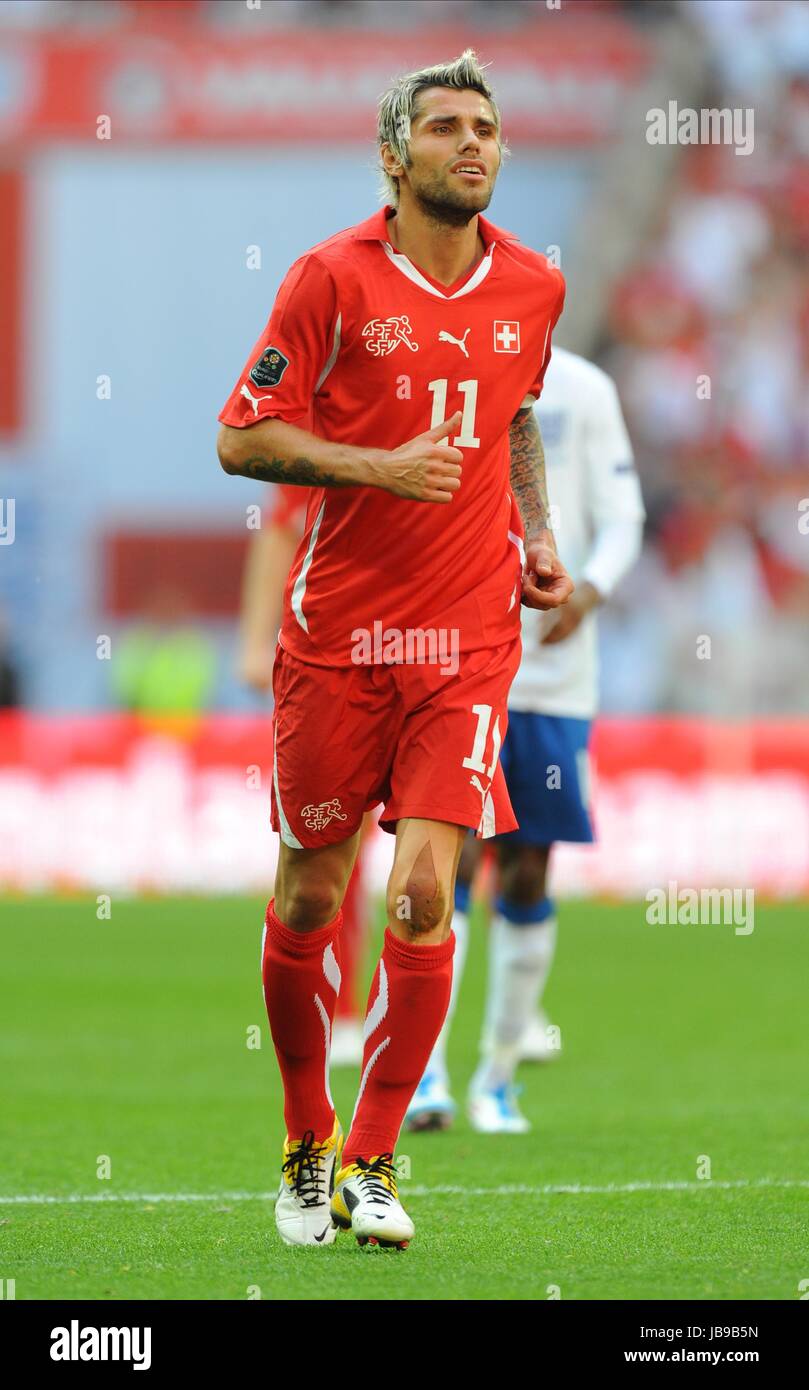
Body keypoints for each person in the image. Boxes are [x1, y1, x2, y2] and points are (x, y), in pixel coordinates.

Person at [217, 49, 572, 1250]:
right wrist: (373, 467)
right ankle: (303, 1137)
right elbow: (241, 438)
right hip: (337, 640)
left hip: (466, 639)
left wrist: (538, 535)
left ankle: (372, 1157)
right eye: (444, 127)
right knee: (309, 891)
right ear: (394, 154)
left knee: (425, 892)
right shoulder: (328, 278)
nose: (471, 143)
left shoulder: (532, 286)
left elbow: (517, 415)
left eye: (484, 127)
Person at [406, 348, 645, 1135]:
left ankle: (498, 1078)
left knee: (528, 868)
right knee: (449, 860)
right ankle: (425, 1069)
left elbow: (623, 516)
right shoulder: (461, 376)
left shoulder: (585, 389)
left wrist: (591, 592)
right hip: (463, 658)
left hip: (553, 674)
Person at [239, 482, 370, 1066]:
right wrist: (252, 642)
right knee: (329, 852)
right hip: (327, 659)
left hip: (421, 657)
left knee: (436, 865)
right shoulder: (324, 424)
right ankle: (334, 1010)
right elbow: (280, 528)